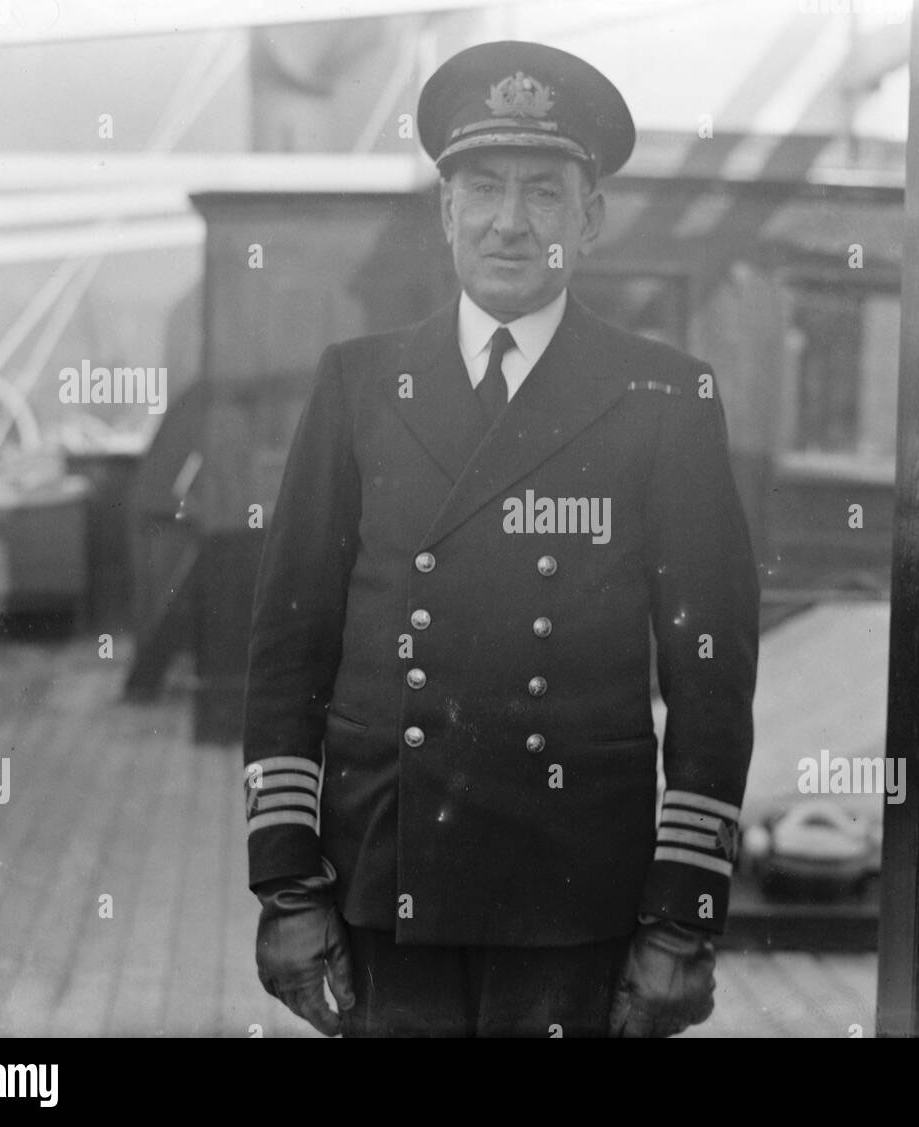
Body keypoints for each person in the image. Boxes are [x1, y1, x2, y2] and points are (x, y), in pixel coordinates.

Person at [242, 39, 759, 1037]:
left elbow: (709, 676)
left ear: (591, 219)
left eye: (543, 193)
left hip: (573, 891)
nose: (509, 223)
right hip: (386, 875)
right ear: (445, 211)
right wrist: (285, 886)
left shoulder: (664, 396)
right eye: (482, 188)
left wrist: (683, 918)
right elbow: (287, 650)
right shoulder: (357, 384)